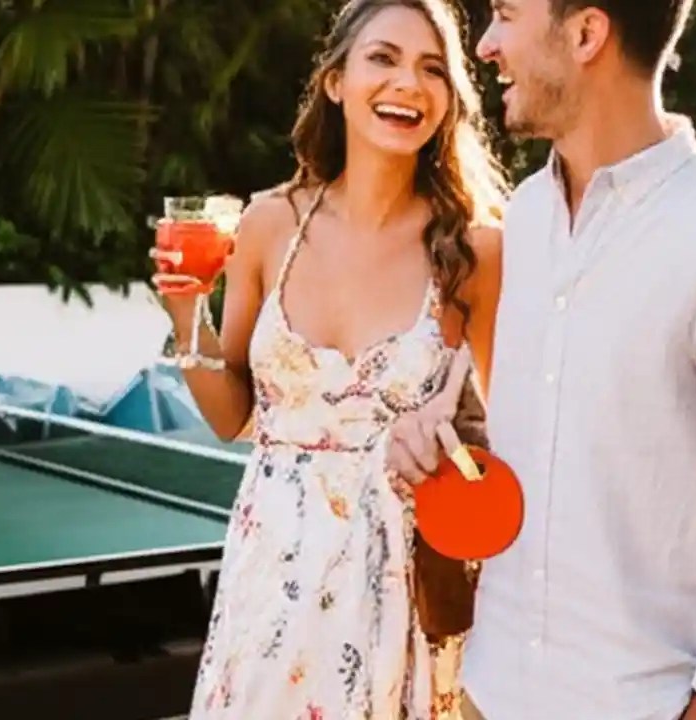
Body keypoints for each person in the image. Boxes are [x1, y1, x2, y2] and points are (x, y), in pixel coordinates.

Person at [386, 1, 696, 719]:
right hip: (490, 690)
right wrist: (448, 449)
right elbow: (558, 452)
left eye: (506, 14)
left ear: (586, 33)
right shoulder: (527, 219)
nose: (485, 45)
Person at [150, 1, 508, 717]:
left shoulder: (476, 251)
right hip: (270, 578)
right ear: (336, 81)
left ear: (450, 100)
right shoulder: (267, 224)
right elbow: (231, 416)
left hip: (404, 590)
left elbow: (516, 430)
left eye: (432, 68)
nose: (408, 82)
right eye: (383, 58)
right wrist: (187, 313)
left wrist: (447, 440)